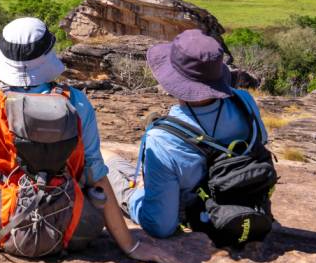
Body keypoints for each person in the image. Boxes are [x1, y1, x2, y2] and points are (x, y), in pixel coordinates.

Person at [0, 17, 179, 263]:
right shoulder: (76, 102)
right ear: (48, 54)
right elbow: (97, 178)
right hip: (72, 230)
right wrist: (130, 246)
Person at [107, 28, 270, 239]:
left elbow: (161, 226)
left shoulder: (163, 139)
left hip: (200, 214)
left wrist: (141, 194)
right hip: (245, 197)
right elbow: (261, 142)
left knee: (107, 165)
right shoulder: (244, 101)